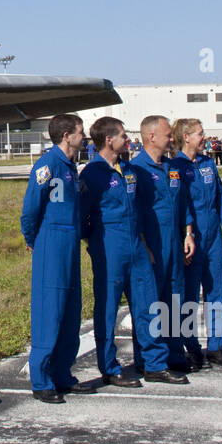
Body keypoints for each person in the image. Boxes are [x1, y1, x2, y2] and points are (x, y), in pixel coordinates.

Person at [20, 113, 94, 403]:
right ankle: (41, 380)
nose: (84, 136)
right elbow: (30, 209)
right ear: (67, 136)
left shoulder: (69, 167)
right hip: (51, 242)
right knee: (49, 310)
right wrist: (33, 240)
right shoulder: (48, 165)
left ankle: (63, 373)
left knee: (70, 309)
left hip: (70, 242)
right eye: (80, 132)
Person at [80, 116, 154, 388]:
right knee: (108, 310)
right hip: (109, 249)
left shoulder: (130, 170)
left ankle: (152, 362)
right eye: (123, 135)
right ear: (109, 140)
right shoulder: (91, 174)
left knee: (147, 305)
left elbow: (140, 209)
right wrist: (95, 243)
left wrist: (144, 244)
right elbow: (81, 217)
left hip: (136, 247)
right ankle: (110, 367)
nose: (128, 139)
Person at [129, 115, 195, 382]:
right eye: (168, 134)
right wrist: (143, 244)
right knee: (150, 303)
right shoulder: (137, 170)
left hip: (174, 243)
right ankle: (148, 360)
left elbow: (183, 203)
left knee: (174, 300)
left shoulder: (172, 168)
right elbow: (132, 211)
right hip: (152, 245)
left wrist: (188, 233)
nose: (172, 139)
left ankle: (174, 355)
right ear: (151, 137)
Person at [172, 119, 222, 368]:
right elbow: (177, 207)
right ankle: (192, 347)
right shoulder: (175, 167)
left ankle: (216, 347)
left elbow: (219, 198)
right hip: (191, 240)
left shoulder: (209, 163)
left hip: (213, 239)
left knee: (216, 294)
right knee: (188, 298)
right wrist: (183, 239)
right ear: (186, 137)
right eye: (200, 134)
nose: (204, 137)